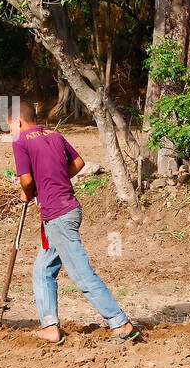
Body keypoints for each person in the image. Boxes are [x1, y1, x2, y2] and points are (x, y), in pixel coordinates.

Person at [7, 99, 137, 345]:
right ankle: (50, 326)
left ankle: (120, 322)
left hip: (57, 215)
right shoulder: (55, 135)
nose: (10, 132)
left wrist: (30, 191)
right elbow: (78, 163)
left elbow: (25, 181)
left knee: (80, 273)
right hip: (70, 210)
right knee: (43, 270)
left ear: (18, 121)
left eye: (9, 127)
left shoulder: (21, 141)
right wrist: (54, 179)